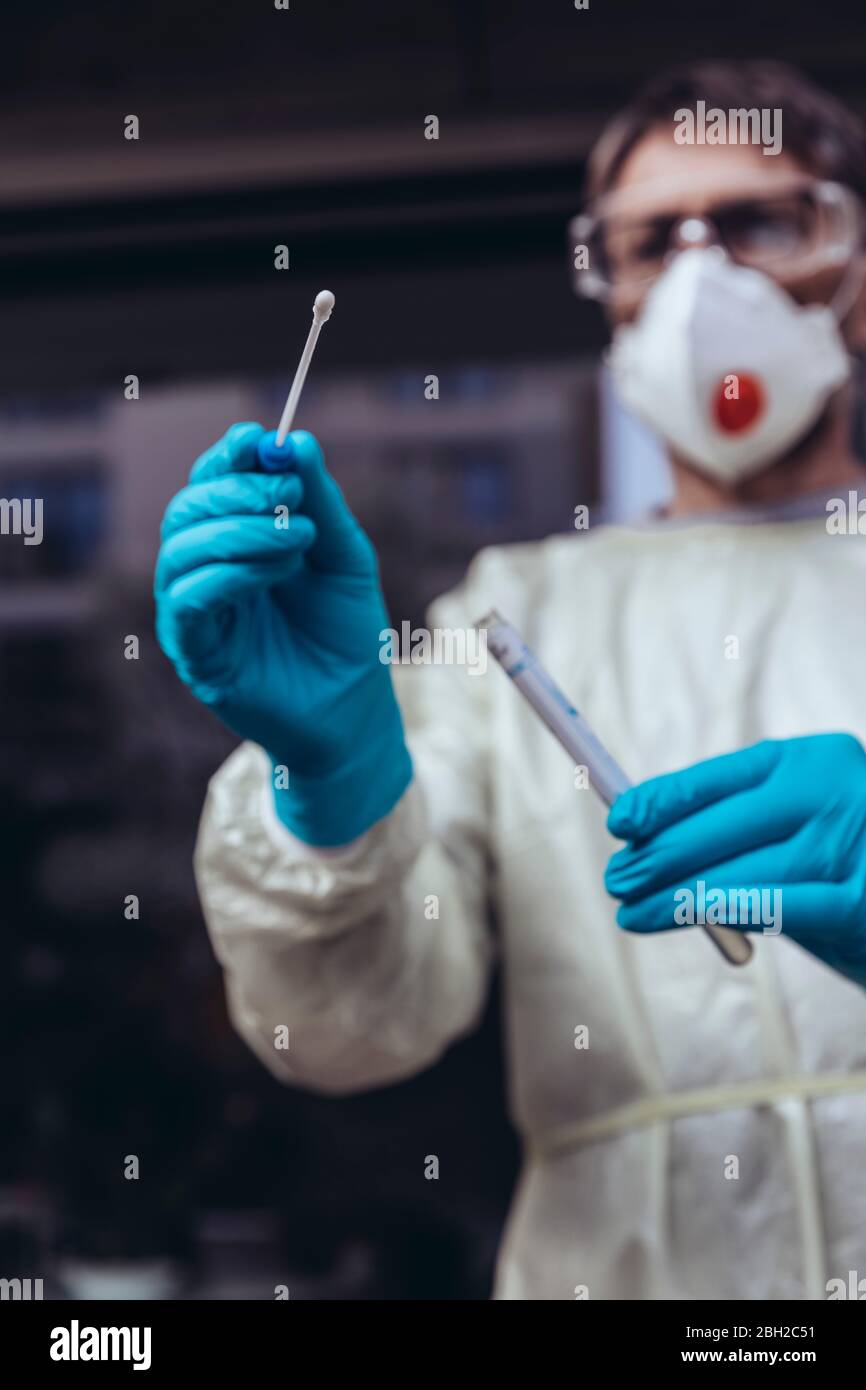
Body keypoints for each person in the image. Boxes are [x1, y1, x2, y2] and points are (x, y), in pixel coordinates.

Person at [154, 61, 866, 1300]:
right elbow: (350, 1032)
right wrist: (330, 779)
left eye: (759, 223)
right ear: (608, 289)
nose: (702, 282)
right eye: (650, 243)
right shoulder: (513, 611)